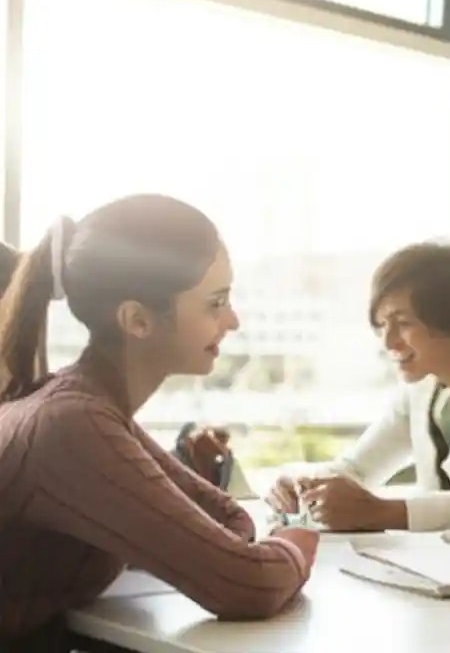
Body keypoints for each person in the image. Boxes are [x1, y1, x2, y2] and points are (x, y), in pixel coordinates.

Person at [0, 195, 316, 645]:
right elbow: (248, 584)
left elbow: (225, 520)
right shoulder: (71, 423)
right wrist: (296, 544)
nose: (233, 320)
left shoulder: (91, 406)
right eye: (215, 302)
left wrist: (222, 546)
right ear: (138, 320)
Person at [266, 243, 450, 532]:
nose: (389, 342)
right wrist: (303, 484)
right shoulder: (424, 389)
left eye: (403, 323)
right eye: (382, 325)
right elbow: (359, 468)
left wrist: (382, 512)